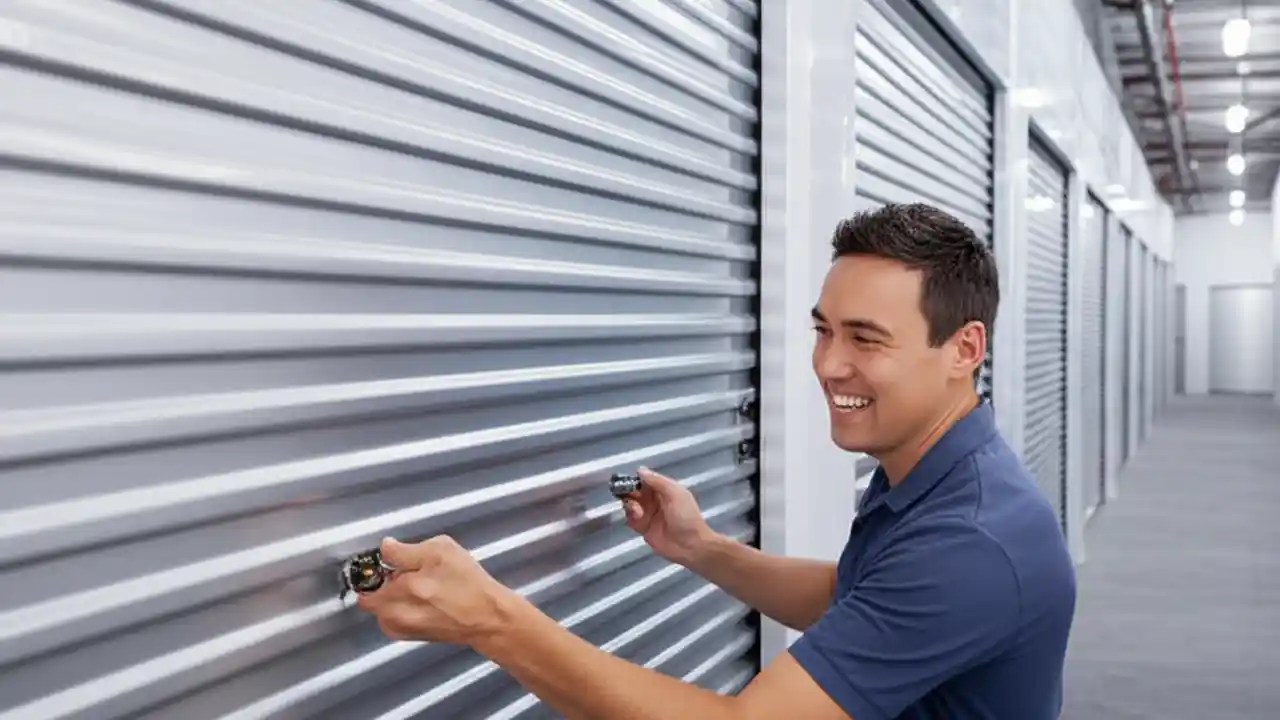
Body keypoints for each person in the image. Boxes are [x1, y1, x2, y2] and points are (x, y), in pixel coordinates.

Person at [357, 203, 1077, 719]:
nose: (829, 364)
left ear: (965, 350)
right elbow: (860, 599)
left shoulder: (972, 544)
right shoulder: (937, 473)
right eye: (824, 331)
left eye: (867, 339)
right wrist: (699, 548)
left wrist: (491, 620)